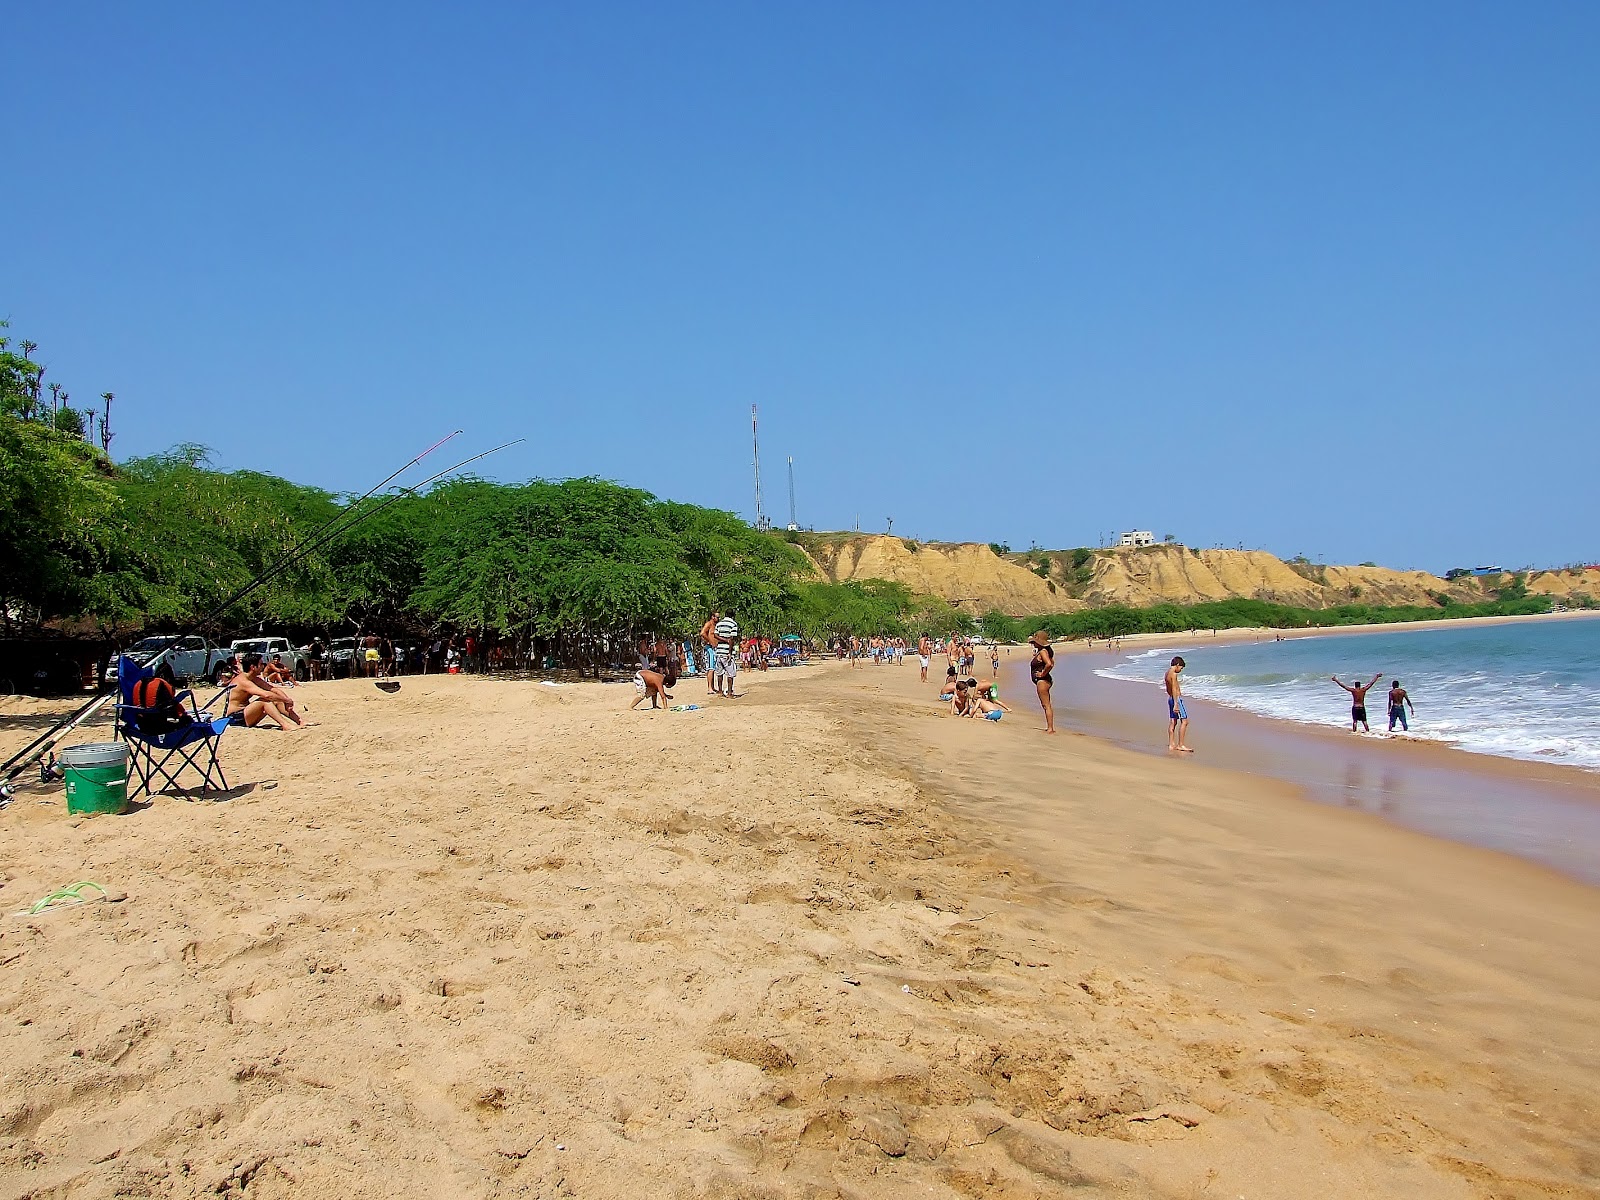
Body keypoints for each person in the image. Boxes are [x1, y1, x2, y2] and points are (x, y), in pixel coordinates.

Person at [225, 654, 308, 730]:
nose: (263, 666)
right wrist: (286, 700)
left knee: (276, 700)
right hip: (235, 718)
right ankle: (285, 725)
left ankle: (300, 721)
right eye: (261, 664)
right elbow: (266, 695)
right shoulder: (243, 681)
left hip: (246, 716)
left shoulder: (254, 679)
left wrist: (286, 700)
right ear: (253, 667)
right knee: (265, 700)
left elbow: (273, 689)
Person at [1029, 631, 1056, 734]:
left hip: (1042, 681)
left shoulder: (1043, 652)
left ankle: (1050, 728)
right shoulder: (1044, 651)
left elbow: (1049, 664)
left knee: (1046, 705)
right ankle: (1050, 727)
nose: (1033, 644)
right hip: (1044, 680)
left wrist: (1042, 674)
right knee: (1046, 705)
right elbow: (1051, 663)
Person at [1165, 656, 1193, 753]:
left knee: (1173, 721)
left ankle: (1171, 744)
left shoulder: (1167, 673)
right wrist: (1176, 703)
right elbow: (1173, 688)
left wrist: (1172, 699)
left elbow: (1168, 688)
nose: (1180, 670)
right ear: (1177, 665)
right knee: (1185, 721)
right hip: (1176, 699)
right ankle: (1181, 745)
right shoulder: (1173, 674)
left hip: (1171, 698)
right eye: (1181, 668)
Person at [714, 609, 740, 697]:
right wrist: (729, 651)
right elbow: (732, 639)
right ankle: (729, 692)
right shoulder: (733, 624)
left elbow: (715, 635)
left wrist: (723, 639)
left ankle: (720, 691)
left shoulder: (719, 624)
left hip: (719, 651)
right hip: (726, 652)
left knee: (719, 673)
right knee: (730, 673)